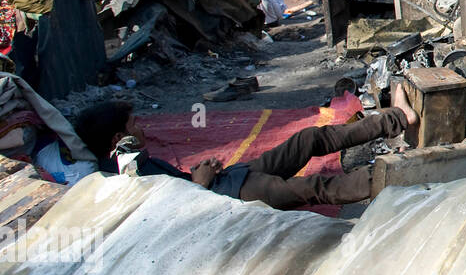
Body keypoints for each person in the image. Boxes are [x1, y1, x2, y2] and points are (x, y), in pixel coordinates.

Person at [72, 90, 421, 210]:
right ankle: (408, 175)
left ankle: (396, 118)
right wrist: (199, 184)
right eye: (134, 125)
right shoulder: (127, 178)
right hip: (233, 196)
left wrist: (199, 176)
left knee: (307, 140)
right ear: (119, 137)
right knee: (314, 188)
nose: (142, 128)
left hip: (231, 179)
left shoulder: (134, 162)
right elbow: (174, 214)